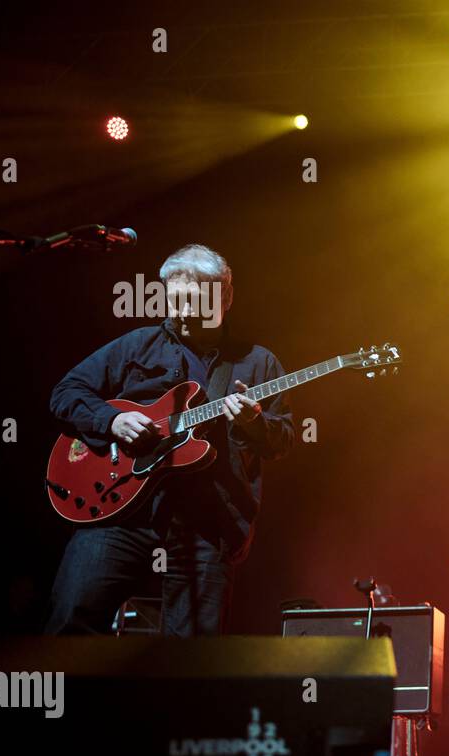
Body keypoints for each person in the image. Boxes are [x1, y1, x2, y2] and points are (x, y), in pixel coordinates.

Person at [45, 244, 294, 636]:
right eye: (172, 301)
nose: (180, 314)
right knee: (70, 624)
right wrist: (113, 420)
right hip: (120, 512)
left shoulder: (258, 363)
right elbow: (66, 393)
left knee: (189, 661)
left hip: (208, 526)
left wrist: (255, 422)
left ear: (225, 297)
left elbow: (282, 441)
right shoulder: (137, 345)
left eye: (192, 303)